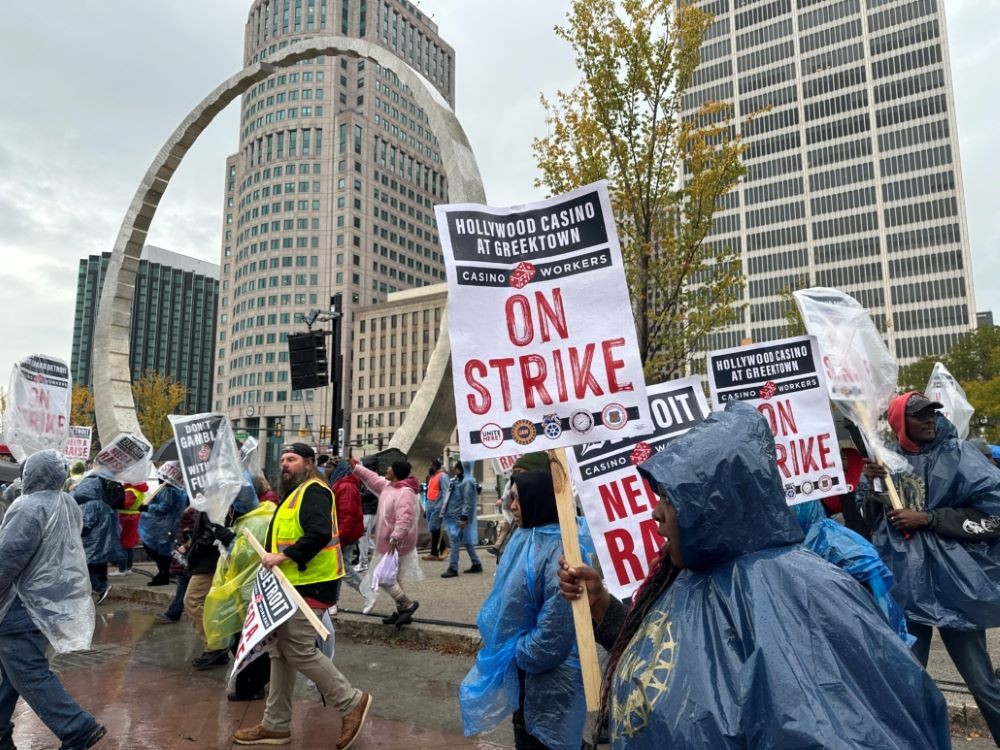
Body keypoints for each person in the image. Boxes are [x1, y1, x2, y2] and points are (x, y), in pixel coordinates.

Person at [558, 401, 951, 749]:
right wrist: (603, 607)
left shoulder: (796, 593)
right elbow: (665, 659)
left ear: (711, 504)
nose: (656, 513)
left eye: (670, 499)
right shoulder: (692, 579)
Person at [861, 391, 1000, 744]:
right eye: (919, 414)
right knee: (905, 681)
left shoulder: (961, 456)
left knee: (982, 683)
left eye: (933, 413)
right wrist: (875, 485)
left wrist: (930, 518)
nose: (929, 419)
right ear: (898, 423)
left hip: (957, 590)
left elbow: (995, 513)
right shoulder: (885, 462)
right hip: (908, 588)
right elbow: (869, 521)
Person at [234, 443, 371, 748]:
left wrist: (282, 558)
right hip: (291, 585)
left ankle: (351, 702)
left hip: (311, 585)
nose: (285, 464)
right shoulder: (294, 494)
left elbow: (319, 533)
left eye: (292, 459)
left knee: (296, 649)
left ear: (309, 463)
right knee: (280, 651)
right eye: (283, 459)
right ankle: (275, 725)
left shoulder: (314, 491)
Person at [460, 469, 585, 749]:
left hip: (547, 675)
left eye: (518, 498)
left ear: (537, 500)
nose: (511, 506)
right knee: (527, 734)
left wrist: (518, 651)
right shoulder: (525, 536)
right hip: (524, 670)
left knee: (543, 740)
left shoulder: (561, 551)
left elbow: (554, 633)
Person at [0, 450, 107, 750]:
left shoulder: (28, 507)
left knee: (28, 673)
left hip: (18, 607)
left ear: (30, 474)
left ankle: (76, 727)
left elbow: (7, 560)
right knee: (12, 672)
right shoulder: (67, 503)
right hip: (48, 605)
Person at [203, 492, 276, 702]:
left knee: (248, 639)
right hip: (244, 589)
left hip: (249, 590)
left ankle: (251, 687)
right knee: (247, 638)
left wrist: (228, 538)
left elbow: (246, 554)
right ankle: (253, 683)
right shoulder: (256, 516)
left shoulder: (257, 521)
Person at [354, 460, 423, 625]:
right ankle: (402, 613)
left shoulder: (404, 492)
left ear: (396, 472)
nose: (386, 469)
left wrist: (396, 537)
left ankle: (407, 604)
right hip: (389, 542)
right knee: (394, 577)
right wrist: (355, 466)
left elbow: (405, 518)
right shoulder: (389, 486)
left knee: (384, 577)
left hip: (397, 543)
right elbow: (372, 478)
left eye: (390, 468)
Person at [184, 507, 237, 670]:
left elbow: (217, 528)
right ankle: (217, 646)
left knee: (192, 600)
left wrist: (200, 543)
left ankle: (216, 645)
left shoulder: (217, 498)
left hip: (209, 561)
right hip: (207, 559)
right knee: (205, 604)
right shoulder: (210, 499)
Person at [70, 475, 124, 605]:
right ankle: (102, 587)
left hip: (92, 544)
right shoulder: (104, 503)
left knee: (85, 569)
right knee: (98, 567)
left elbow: (85, 524)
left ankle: (101, 587)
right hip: (104, 543)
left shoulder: (89, 505)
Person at [329, 460, 369, 615]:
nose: (327, 469)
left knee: (342, 568)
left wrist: (340, 538)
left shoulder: (345, 486)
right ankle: (332, 602)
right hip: (343, 534)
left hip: (345, 535)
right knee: (338, 568)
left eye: (330, 467)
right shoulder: (340, 484)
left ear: (338, 469)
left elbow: (348, 515)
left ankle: (367, 592)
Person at [138, 479, 188, 586]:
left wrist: (148, 507)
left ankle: (164, 574)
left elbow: (165, 507)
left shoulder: (168, 490)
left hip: (164, 524)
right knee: (165, 549)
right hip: (173, 522)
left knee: (160, 549)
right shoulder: (180, 489)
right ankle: (166, 572)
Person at [441, 463, 482, 578]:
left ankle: (453, 568)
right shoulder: (457, 480)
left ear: (460, 469)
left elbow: (468, 501)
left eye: (456, 468)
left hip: (458, 517)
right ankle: (476, 563)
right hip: (453, 515)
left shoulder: (467, 481)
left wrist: (463, 518)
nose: (455, 470)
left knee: (454, 542)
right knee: (466, 541)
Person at [422, 459, 450, 561]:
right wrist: (426, 509)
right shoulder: (431, 477)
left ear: (435, 466)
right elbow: (430, 492)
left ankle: (443, 549)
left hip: (438, 507)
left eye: (430, 465)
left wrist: (444, 508)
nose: (429, 467)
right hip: (430, 507)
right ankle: (434, 552)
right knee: (434, 529)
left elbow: (446, 493)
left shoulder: (443, 476)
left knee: (435, 528)